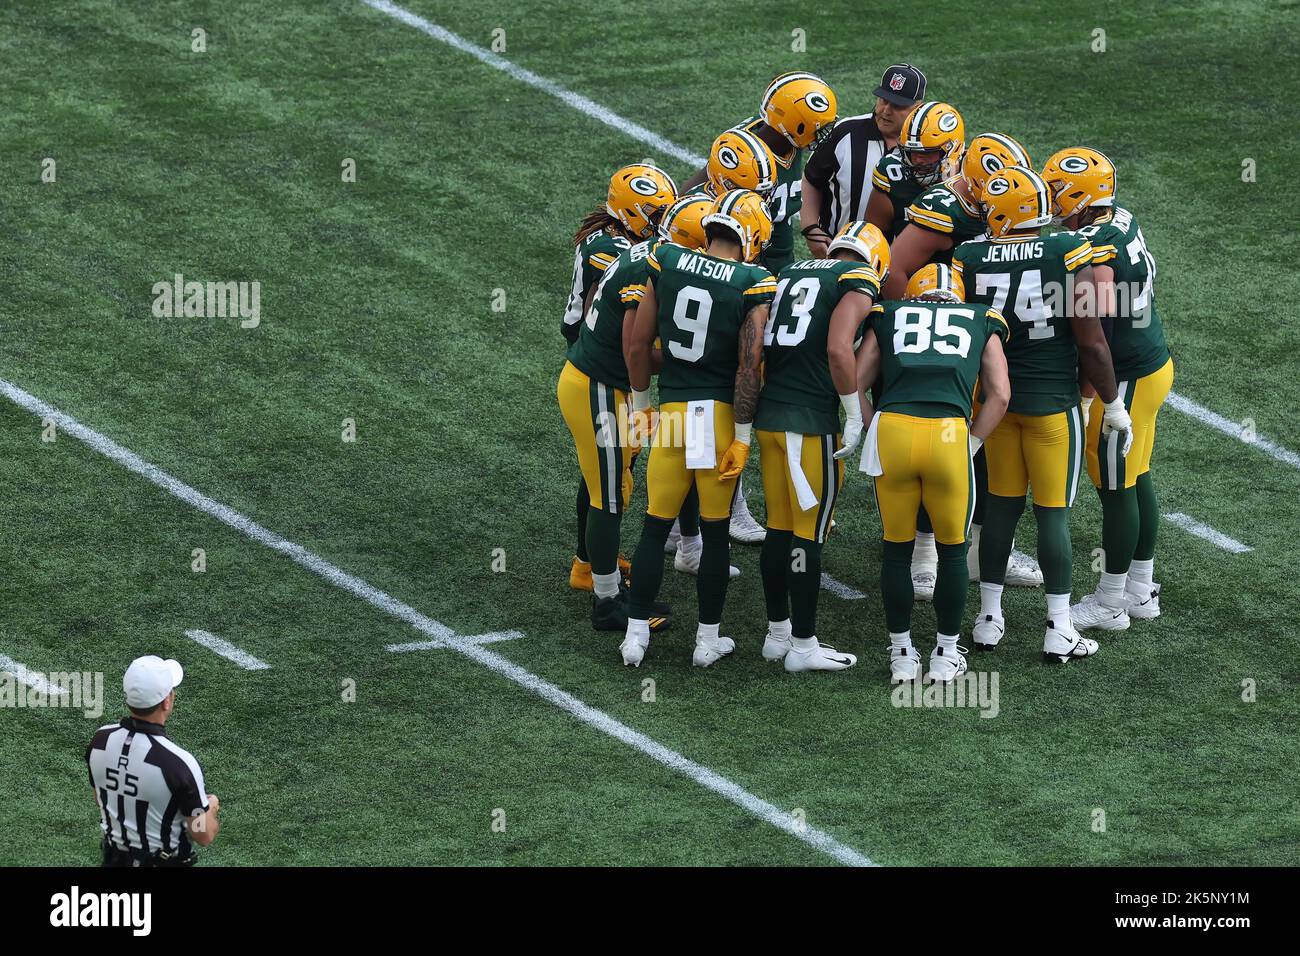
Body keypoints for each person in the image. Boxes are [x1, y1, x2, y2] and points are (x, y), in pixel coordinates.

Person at [952, 166, 1133, 664]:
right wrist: (1111, 403)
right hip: (1052, 407)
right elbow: (1092, 340)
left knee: (1003, 508)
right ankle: (1059, 626)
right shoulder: (1063, 251)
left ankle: (988, 619)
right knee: (1053, 514)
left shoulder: (969, 257)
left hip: (996, 405)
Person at [620, 190, 776, 667]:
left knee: (653, 528)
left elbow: (637, 343)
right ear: (750, 238)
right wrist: (745, 436)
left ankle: (634, 637)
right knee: (714, 532)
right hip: (718, 417)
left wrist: (642, 405)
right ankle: (707, 641)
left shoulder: (666, 259)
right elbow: (750, 368)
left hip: (673, 411)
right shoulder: (752, 280)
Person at [846, 264, 1010, 683]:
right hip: (949, 437)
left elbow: (853, 380)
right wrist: (971, 443)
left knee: (897, 550)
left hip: (895, 432)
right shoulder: (982, 319)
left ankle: (901, 654)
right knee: (953, 551)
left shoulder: (889, 314)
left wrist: (871, 426)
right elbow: (1001, 395)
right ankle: (945, 654)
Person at [559, 194, 713, 632]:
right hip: (599, 387)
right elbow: (634, 350)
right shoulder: (646, 268)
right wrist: (693, 359)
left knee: (605, 483)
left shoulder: (651, 255)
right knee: (609, 494)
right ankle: (606, 602)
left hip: (605, 386)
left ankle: (589, 566)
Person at [1041, 147, 1173, 629]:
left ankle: (1111, 601)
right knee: (1136, 477)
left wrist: (1094, 395)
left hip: (1125, 376)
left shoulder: (1095, 254)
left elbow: (1096, 341)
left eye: (1055, 191)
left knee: (1117, 488)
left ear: (1079, 193)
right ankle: (1140, 590)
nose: (1049, 199)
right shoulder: (1120, 218)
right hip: (1153, 365)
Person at [756, 221, 888, 672]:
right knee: (806, 535)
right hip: (809, 422)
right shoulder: (858, 279)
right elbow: (837, 349)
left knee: (778, 528)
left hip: (769, 417)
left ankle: (777, 634)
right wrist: (854, 414)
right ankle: (804, 644)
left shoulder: (790, 271)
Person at [562, 164, 677, 594]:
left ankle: (591, 560)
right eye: (653, 214)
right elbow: (628, 325)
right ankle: (591, 571)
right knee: (610, 480)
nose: (659, 223)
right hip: (600, 364)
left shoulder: (616, 239)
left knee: (605, 473)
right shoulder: (613, 252)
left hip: (604, 362)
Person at [86, 656, 219, 866]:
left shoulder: (100, 740)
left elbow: (101, 798)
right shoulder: (179, 764)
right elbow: (203, 834)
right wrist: (210, 807)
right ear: (166, 701)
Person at [801, 63, 927, 255]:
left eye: (898, 105)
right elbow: (812, 178)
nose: (886, 110)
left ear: (918, 107)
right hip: (838, 255)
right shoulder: (845, 132)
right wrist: (810, 228)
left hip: (899, 263)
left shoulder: (930, 145)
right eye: (883, 100)